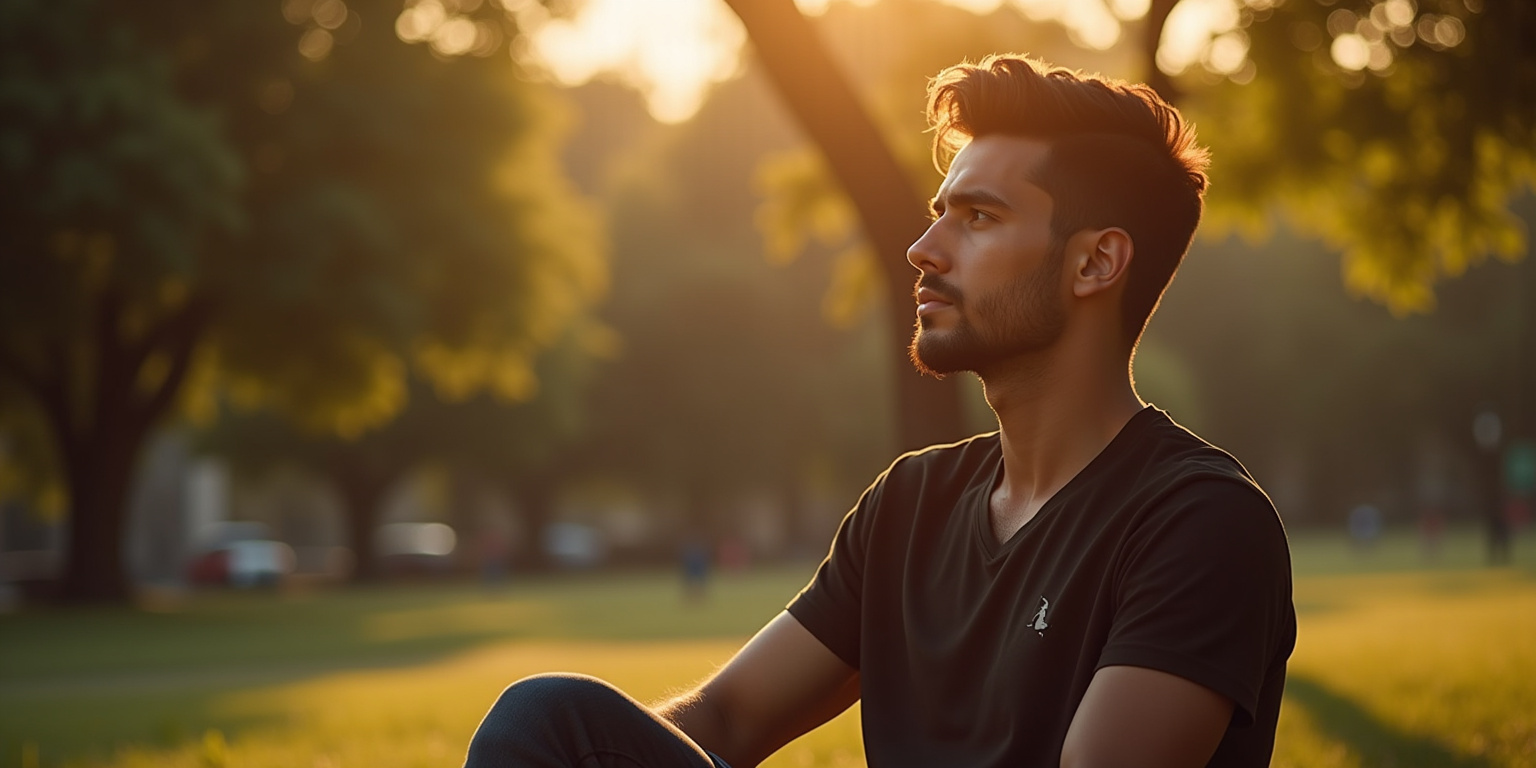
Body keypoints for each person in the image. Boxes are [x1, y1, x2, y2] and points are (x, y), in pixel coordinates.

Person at [462, 53, 1296, 768]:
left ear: (1095, 264)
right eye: (939, 215)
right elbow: (727, 719)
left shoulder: (1200, 521)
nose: (923, 250)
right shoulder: (911, 505)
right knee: (551, 724)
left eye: (979, 217)